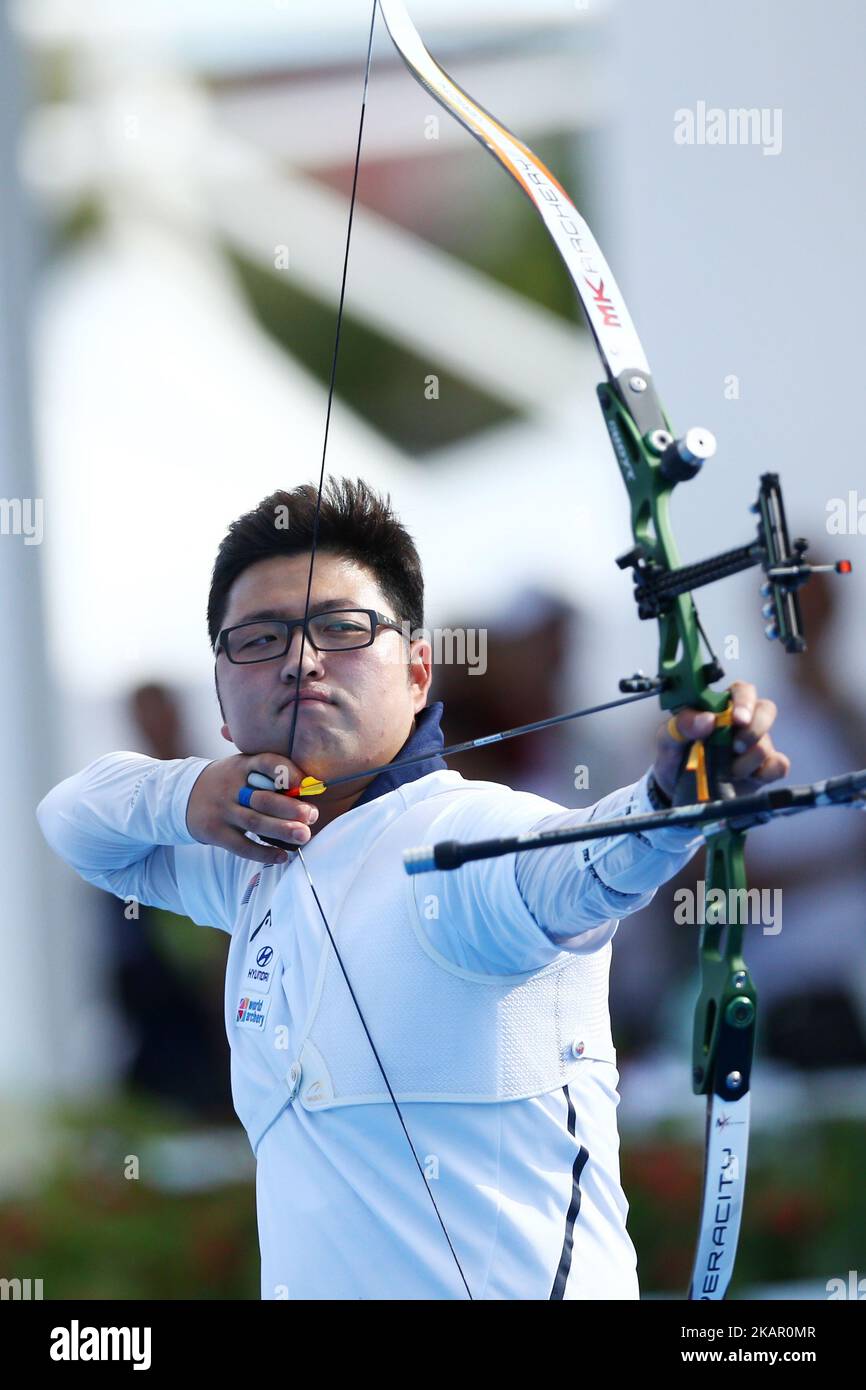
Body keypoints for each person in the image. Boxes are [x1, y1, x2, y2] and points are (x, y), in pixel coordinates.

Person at [36, 476, 790, 1300]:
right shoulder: (247, 862)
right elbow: (70, 819)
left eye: (341, 628)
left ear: (420, 671)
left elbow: (583, 866)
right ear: (219, 694)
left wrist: (669, 801)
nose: (300, 660)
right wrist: (190, 794)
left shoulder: (464, 837)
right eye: (258, 639)